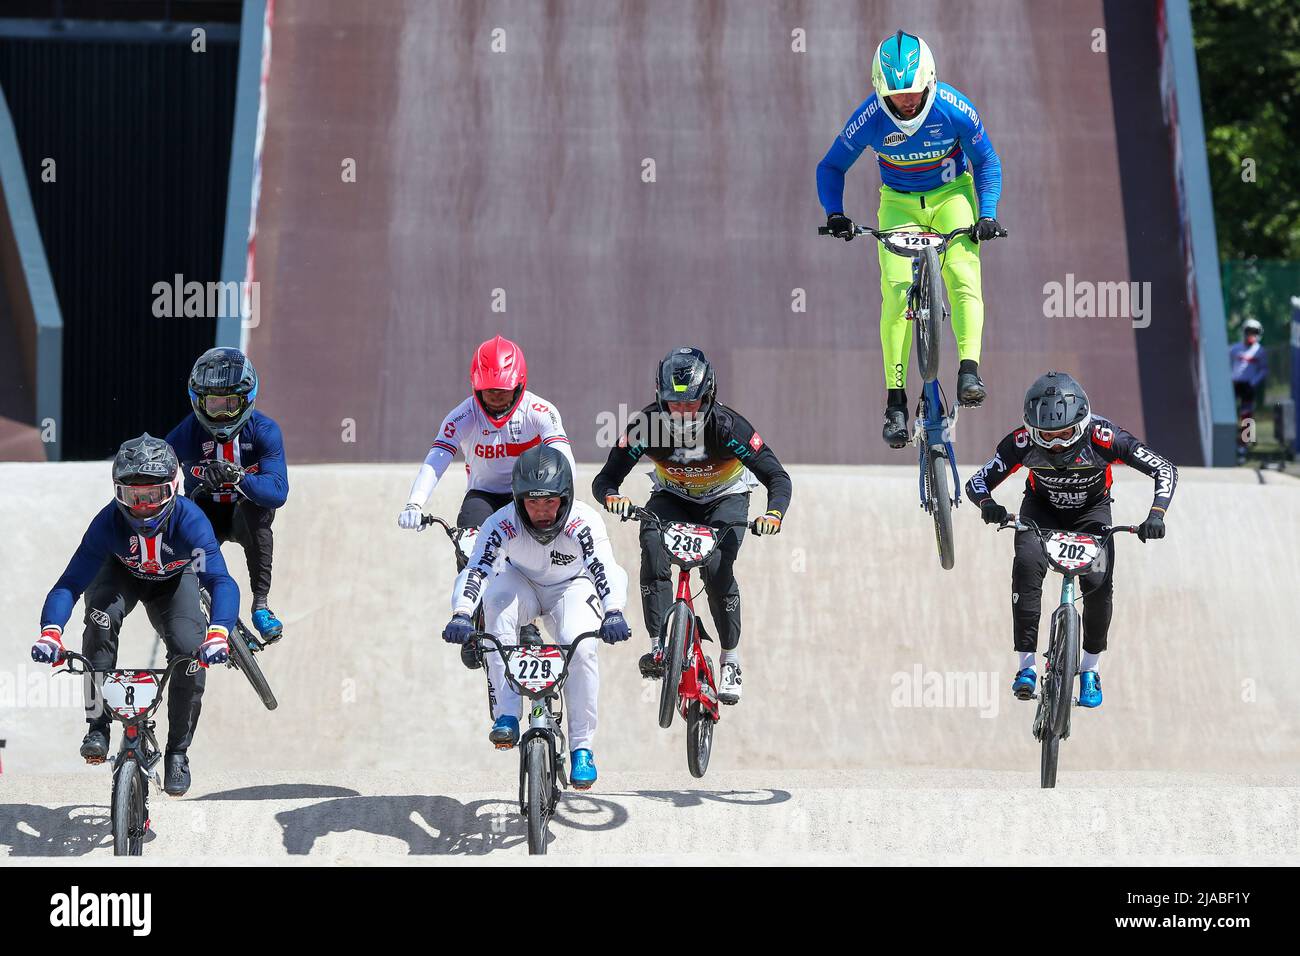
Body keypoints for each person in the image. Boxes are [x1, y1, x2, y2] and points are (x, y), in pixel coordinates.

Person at [817, 29, 1005, 447]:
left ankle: (969, 370)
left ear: (931, 82)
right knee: (897, 292)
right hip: (898, 205)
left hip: (952, 196)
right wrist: (836, 215)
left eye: (914, 92)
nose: (906, 101)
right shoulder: (869, 116)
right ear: (880, 90)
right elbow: (830, 167)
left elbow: (987, 161)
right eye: (896, 94)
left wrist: (987, 214)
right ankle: (896, 402)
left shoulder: (957, 110)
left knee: (962, 274)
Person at [31, 434, 236, 796]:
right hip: (119, 574)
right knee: (99, 621)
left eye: (152, 495)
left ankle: (177, 753)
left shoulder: (191, 523)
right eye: (132, 496)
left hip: (173, 582)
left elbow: (220, 581)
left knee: (191, 650)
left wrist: (218, 632)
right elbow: (69, 585)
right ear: (117, 493)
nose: (142, 507)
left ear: (173, 489)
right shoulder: (106, 524)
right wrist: (50, 631)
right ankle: (97, 725)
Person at [964, 372, 1177, 708]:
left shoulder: (1105, 438)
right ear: (1032, 428)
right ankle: (1026, 667)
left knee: (1098, 581)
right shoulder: (1020, 443)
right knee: (1027, 566)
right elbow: (977, 482)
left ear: (1081, 423)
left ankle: (1090, 669)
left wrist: (1156, 514)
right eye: (1047, 436)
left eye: (1064, 433)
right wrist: (988, 505)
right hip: (1040, 512)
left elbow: (1164, 469)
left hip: (1092, 514)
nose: (1057, 443)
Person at [592, 347, 791, 705]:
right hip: (673, 498)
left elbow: (777, 476)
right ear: (659, 398)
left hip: (726, 499)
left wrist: (773, 513)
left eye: (692, 405)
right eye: (673, 404)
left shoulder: (729, 427)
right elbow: (605, 479)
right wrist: (612, 498)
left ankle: (730, 659)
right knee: (652, 547)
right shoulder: (644, 426)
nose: (683, 413)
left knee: (716, 570)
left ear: (709, 397)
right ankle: (658, 646)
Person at [440, 445, 630, 789]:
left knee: (582, 647)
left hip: (571, 587)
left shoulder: (584, 521)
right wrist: (462, 614)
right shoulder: (501, 524)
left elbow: (604, 568)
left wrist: (614, 609)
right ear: (517, 499)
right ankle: (507, 713)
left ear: (566, 497)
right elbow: (477, 569)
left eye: (550, 502)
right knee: (496, 606)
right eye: (532, 502)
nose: (542, 512)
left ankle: (582, 748)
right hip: (521, 582)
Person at [166, 347, 288, 641]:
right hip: (206, 511)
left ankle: (261, 605)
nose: (221, 414)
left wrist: (238, 476)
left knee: (256, 512)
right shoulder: (185, 434)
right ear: (198, 402)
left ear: (246, 400)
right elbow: (159, 476)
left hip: (244, 512)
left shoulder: (265, 431)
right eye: (214, 404)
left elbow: (278, 492)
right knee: (184, 519)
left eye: (230, 404)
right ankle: (206, 605)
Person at [398, 335, 574, 531]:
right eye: (489, 391)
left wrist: (568, 499)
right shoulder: (462, 416)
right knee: (468, 543)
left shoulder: (540, 411)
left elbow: (563, 456)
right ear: (476, 387)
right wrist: (414, 503)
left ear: (519, 385)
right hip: (483, 495)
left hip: (531, 495)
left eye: (503, 391)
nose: (496, 398)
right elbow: (436, 461)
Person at [1229, 318, 1268, 461]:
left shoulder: (1260, 351)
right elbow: (1227, 364)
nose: (1251, 335)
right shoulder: (1235, 349)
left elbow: (1263, 370)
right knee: (1231, 414)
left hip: (1248, 386)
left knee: (1247, 415)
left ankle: (1244, 445)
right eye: (1249, 331)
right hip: (1234, 385)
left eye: (1254, 332)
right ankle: (1230, 440)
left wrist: (1253, 383)